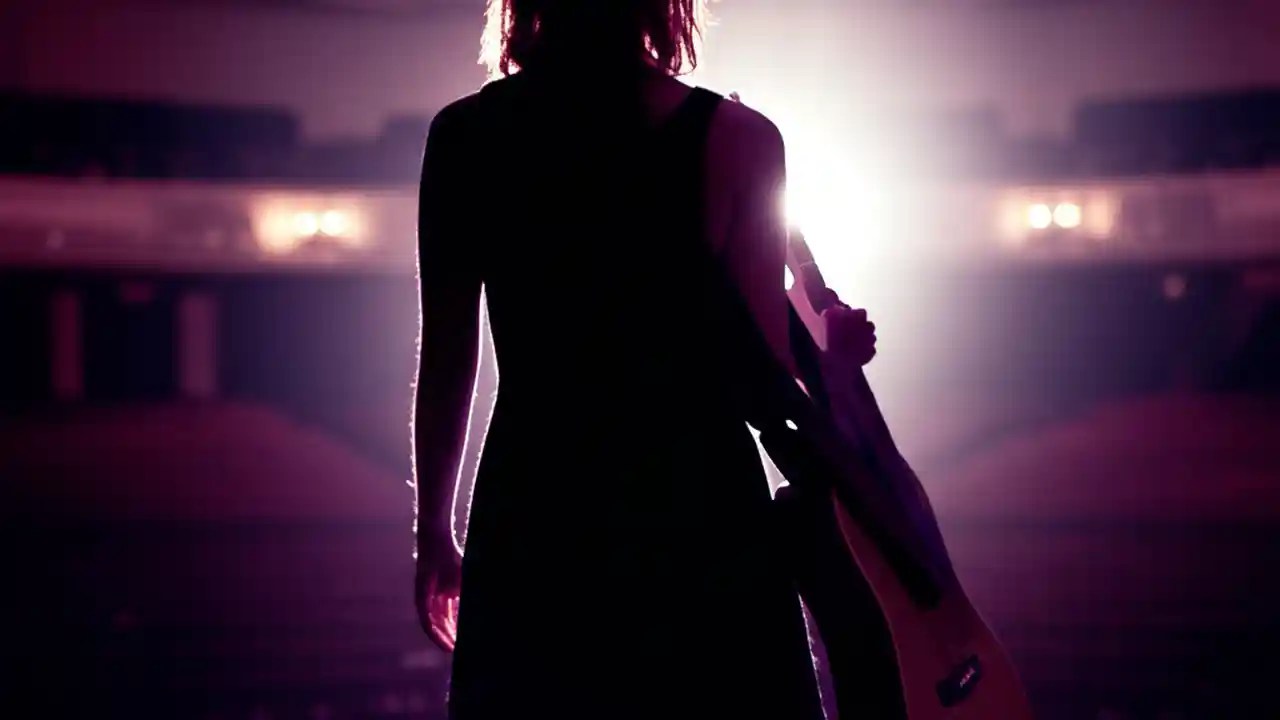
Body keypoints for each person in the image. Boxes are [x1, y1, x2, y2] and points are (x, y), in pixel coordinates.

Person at [412, 1, 877, 717]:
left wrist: (437, 535)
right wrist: (833, 358)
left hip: (538, 507)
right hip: (701, 510)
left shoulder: (465, 135)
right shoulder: (739, 138)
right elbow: (766, 374)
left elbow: (449, 359)